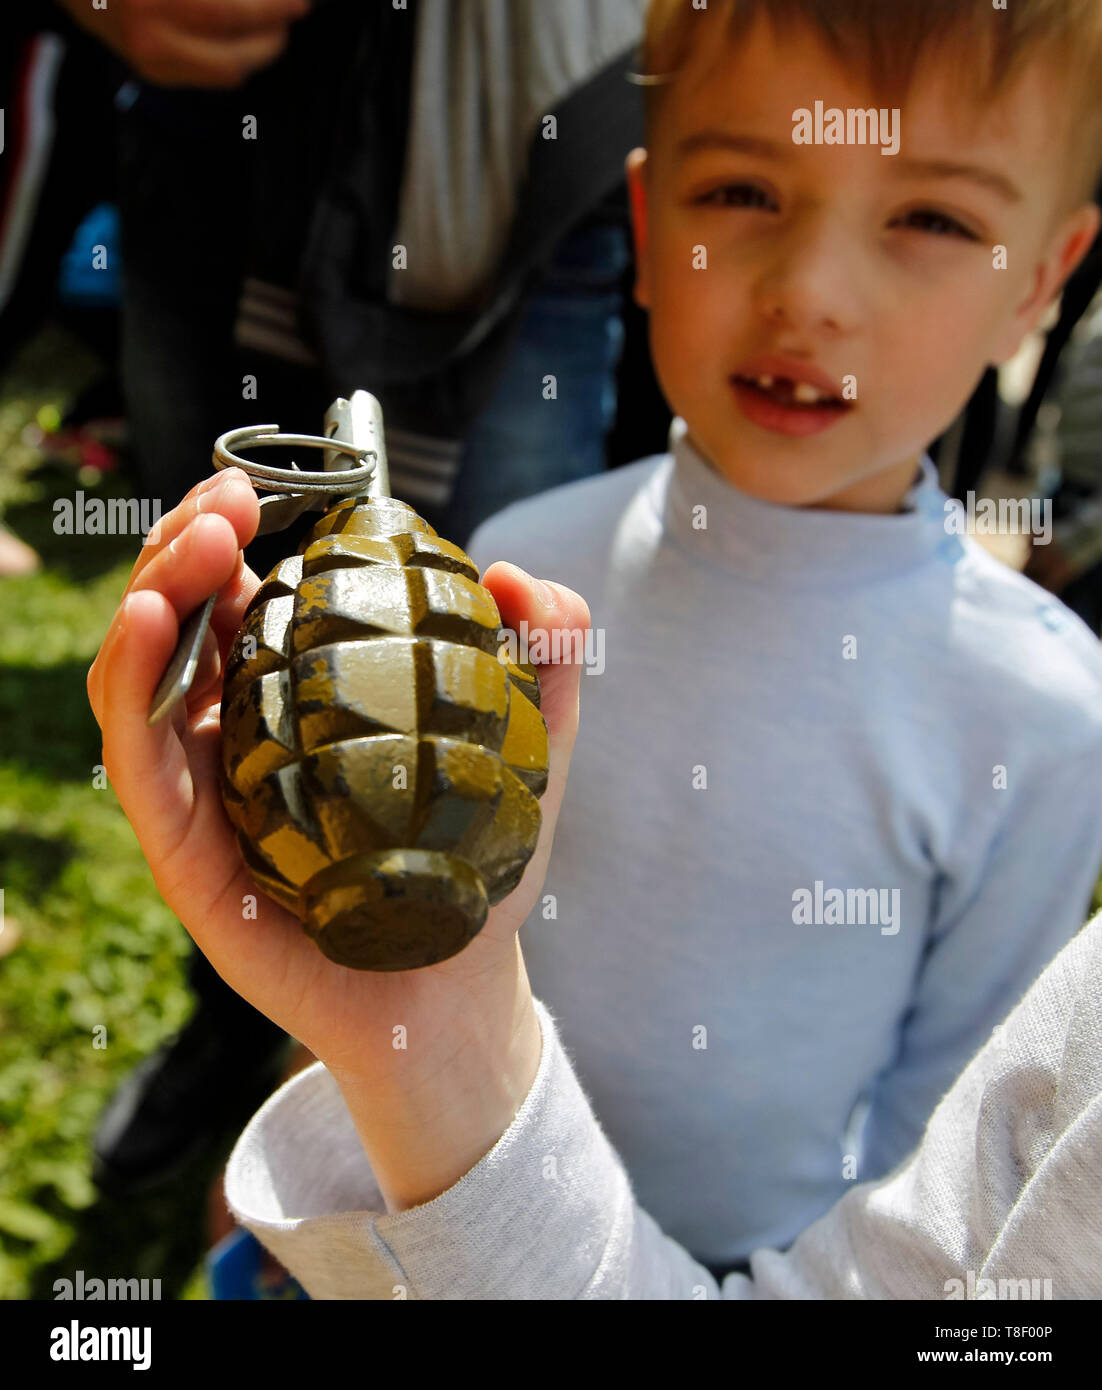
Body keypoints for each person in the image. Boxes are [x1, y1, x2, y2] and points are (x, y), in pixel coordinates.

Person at [87, 0, 1102, 1295]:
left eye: (932, 218)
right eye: (740, 190)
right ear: (639, 225)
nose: (809, 290)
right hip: (415, 1212)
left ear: (1039, 280)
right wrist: (337, 1082)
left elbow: (959, 1153)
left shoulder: (1047, 713)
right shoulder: (515, 562)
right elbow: (406, 926)